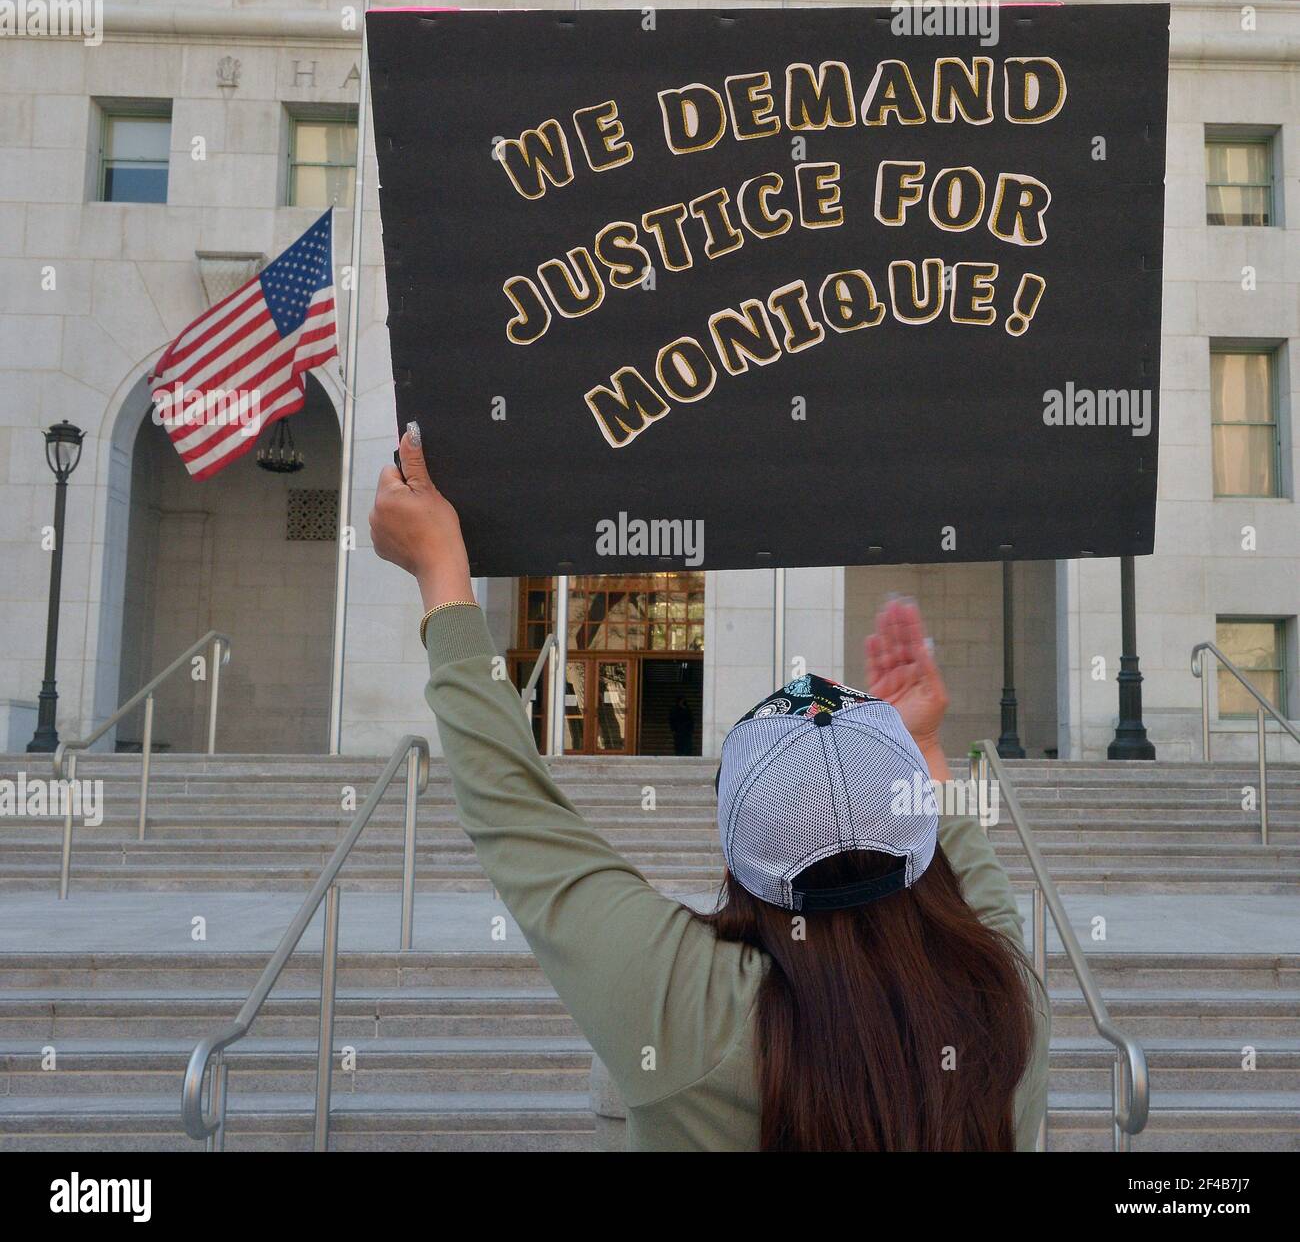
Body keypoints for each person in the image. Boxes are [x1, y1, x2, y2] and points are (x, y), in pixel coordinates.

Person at [370, 423, 1050, 1152]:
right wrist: (915, 748)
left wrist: (439, 567)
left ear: (732, 862)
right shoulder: (1005, 1003)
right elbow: (511, 806)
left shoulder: (694, 1012)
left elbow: (511, 807)